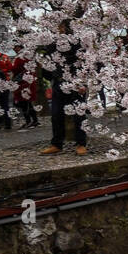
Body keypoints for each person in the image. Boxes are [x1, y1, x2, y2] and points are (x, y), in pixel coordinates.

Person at [39, 24, 88, 155]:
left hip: (76, 83)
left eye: (60, 26)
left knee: (79, 115)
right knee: (56, 115)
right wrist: (49, 75)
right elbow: (47, 64)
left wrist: (84, 83)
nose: (58, 29)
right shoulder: (50, 45)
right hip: (58, 83)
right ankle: (56, 143)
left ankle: (81, 143)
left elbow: (85, 62)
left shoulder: (76, 42)